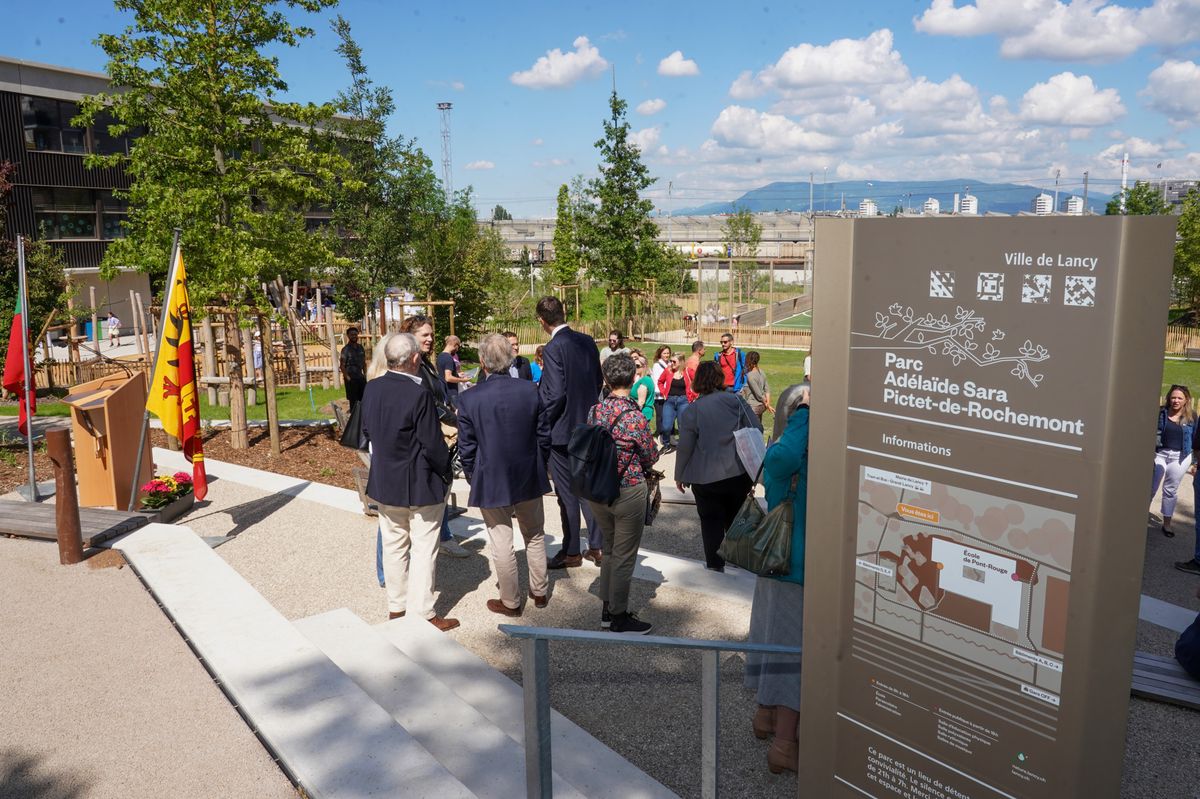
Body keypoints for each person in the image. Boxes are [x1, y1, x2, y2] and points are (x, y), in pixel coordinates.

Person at [361, 333, 459, 632]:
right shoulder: (418, 394)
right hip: (419, 481)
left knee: (393, 546)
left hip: (386, 480)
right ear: (415, 358)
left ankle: (397, 608)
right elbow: (432, 442)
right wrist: (446, 469)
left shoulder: (372, 388)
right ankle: (424, 612)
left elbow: (367, 431)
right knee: (423, 548)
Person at [456, 334, 552, 616]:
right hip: (527, 470)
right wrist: (540, 463)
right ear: (510, 359)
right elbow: (543, 434)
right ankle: (540, 590)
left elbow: (466, 446)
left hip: (492, 473)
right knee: (534, 534)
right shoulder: (530, 390)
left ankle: (511, 600)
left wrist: (473, 474)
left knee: (501, 540)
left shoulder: (470, 398)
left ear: (482, 362)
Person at [745, 386, 809, 775]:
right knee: (791, 654)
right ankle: (785, 744)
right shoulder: (791, 451)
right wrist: (808, 413)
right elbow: (783, 458)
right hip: (795, 566)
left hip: (776, 559)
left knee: (771, 637)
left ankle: (765, 716)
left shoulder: (784, 448)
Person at [585, 354, 658, 634]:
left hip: (597, 489)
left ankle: (608, 607)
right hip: (628, 489)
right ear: (632, 379)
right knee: (624, 555)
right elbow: (650, 455)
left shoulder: (594, 411)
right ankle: (618, 615)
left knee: (610, 548)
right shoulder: (634, 417)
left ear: (606, 379)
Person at [536, 296, 605, 568]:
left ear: (542, 321)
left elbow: (554, 394)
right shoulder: (587, 341)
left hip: (562, 431)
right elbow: (598, 381)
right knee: (587, 489)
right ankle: (598, 546)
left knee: (567, 494)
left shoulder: (554, 347)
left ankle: (572, 550)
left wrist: (541, 421)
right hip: (587, 424)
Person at [674, 361, 761, 572]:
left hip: (706, 477)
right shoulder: (737, 401)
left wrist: (680, 474)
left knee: (710, 523)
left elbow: (685, 447)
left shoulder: (693, 410)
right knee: (736, 521)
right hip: (737, 471)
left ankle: (715, 567)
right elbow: (756, 427)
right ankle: (739, 564)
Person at [400, 314, 470, 559]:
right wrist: (455, 419)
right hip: (422, 438)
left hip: (437, 433)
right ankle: (392, 565)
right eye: (424, 335)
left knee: (440, 488)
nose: (430, 339)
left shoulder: (425, 363)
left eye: (431, 334)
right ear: (410, 337)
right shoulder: (410, 367)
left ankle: (444, 536)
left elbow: (438, 397)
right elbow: (427, 401)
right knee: (401, 512)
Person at [1151, 385, 1195, 537]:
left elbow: (1196, 439)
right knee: (1150, 487)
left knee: (1170, 490)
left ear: (1186, 400)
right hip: (1160, 454)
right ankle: (1139, 518)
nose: (1176, 400)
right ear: (1169, 398)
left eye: (1179, 398)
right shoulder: (1161, 412)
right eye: (1173, 397)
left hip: (1180, 456)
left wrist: (1196, 462)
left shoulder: (1192, 417)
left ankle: (1167, 524)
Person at [656, 353, 691, 453]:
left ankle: (684, 446)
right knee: (666, 426)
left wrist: (693, 395)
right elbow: (660, 382)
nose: (671, 363)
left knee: (682, 426)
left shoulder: (688, 371)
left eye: (674, 361)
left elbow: (697, 381)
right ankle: (666, 444)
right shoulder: (668, 370)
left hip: (684, 401)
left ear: (681, 362)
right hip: (669, 401)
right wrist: (663, 392)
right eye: (671, 361)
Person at [740, 351, 774, 424]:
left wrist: (767, 405)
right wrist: (768, 404)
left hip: (753, 407)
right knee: (758, 426)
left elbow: (758, 394)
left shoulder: (750, 376)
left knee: (752, 428)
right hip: (761, 406)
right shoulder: (761, 372)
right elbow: (767, 389)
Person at [437, 335, 470, 406]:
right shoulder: (448, 357)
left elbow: (443, 374)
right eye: (458, 347)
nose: (458, 349)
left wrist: (458, 375)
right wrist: (463, 380)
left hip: (445, 391)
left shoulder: (440, 356)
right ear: (455, 345)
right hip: (451, 393)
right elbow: (448, 378)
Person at [340, 326, 367, 411]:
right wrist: (348, 378)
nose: (354, 336)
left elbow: (364, 363)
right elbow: (342, 366)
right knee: (354, 402)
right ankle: (354, 418)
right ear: (348, 336)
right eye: (352, 335)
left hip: (361, 378)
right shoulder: (345, 350)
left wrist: (365, 375)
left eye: (355, 334)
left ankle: (363, 418)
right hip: (351, 379)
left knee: (364, 400)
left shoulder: (361, 347)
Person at [629, 349, 656, 428]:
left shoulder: (645, 381)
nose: (635, 368)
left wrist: (633, 416)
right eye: (634, 365)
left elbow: (641, 402)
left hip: (642, 413)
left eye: (637, 366)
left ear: (644, 366)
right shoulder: (641, 379)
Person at [650, 345, 672, 440]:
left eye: (668, 353)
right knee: (660, 416)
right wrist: (661, 393)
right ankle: (661, 435)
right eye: (664, 353)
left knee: (670, 415)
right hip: (659, 395)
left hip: (669, 394)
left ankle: (670, 435)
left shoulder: (671, 363)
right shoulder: (657, 365)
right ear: (660, 354)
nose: (666, 355)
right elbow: (656, 381)